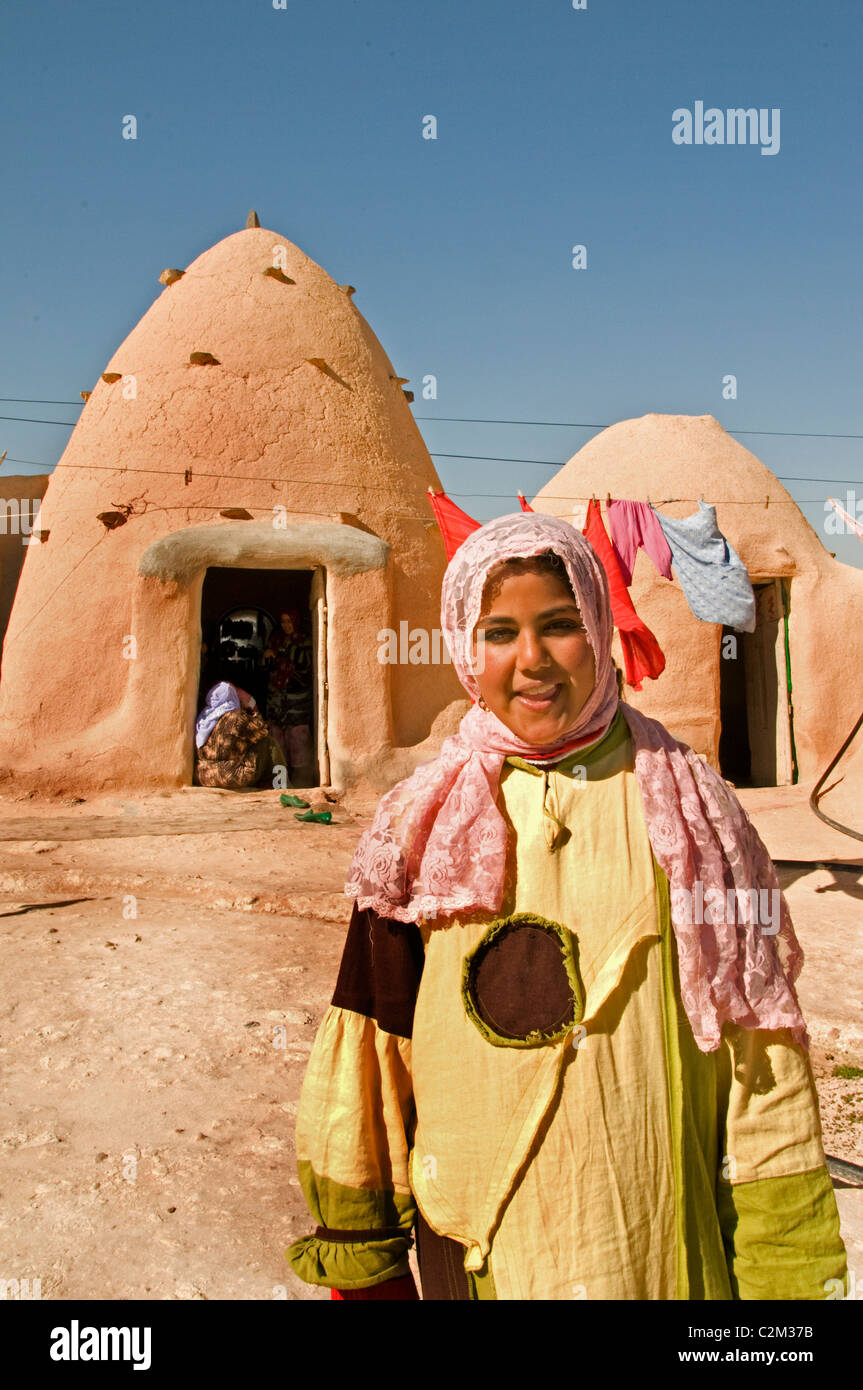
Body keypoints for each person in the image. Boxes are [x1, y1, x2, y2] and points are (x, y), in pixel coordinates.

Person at [285, 512, 847, 1301]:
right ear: (461, 647)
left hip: (660, 1249)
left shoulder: (694, 814)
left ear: (599, 628)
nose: (530, 661)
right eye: (498, 632)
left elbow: (759, 1057)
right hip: (476, 1255)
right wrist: (363, 1256)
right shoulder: (419, 825)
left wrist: (783, 1274)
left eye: (559, 626)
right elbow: (372, 1052)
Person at [194, 680, 280, 790]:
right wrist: (251, 706)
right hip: (230, 777)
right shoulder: (236, 718)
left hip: (205, 776)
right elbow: (263, 731)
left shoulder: (204, 719)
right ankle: (282, 784)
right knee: (268, 743)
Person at [263, 610, 316, 785]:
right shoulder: (275, 639)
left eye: (289, 621)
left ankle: (302, 783)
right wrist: (267, 656)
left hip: (297, 700)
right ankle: (280, 783)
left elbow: (306, 663)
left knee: (298, 740)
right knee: (278, 741)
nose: (286, 625)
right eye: (283, 621)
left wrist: (283, 652)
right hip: (276, 700)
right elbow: (265, 665)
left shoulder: (304, 640)